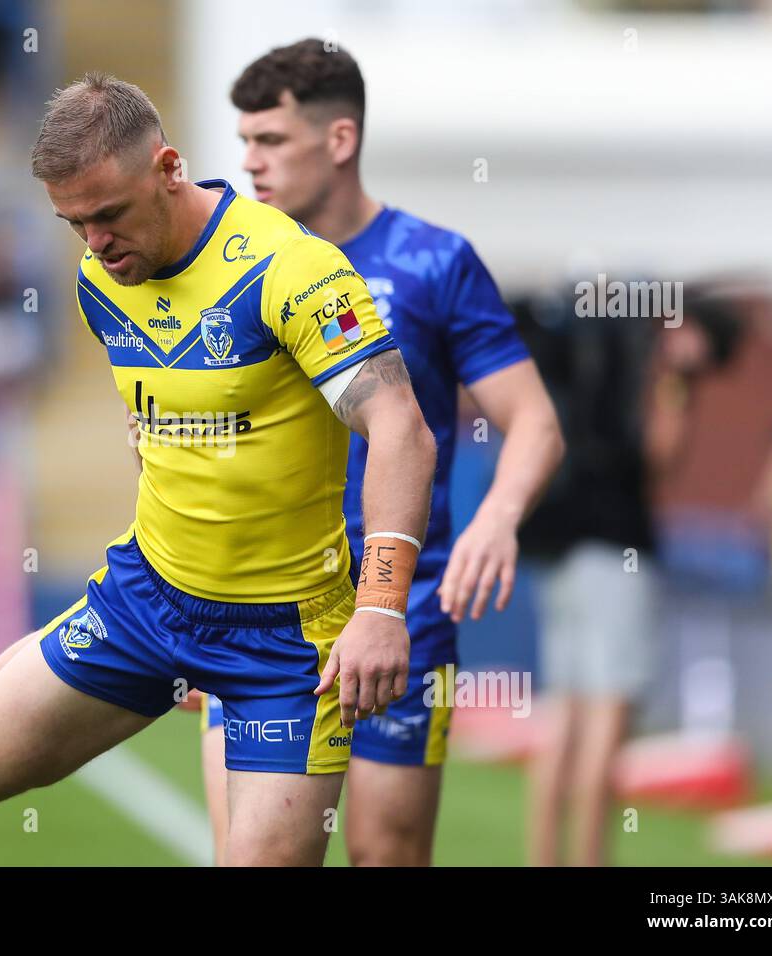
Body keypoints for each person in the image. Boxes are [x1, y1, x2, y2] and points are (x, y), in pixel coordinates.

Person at [0, 72, 438, 867]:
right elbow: (160, 419)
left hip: (284, 638)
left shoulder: (292, 270)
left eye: (108, 215)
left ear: (169, 168)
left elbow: (401, 429)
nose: (96, 244)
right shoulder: (99, 282)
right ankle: (144, 663)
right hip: (150, 597)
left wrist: (381, 608)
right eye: (74, 225)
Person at [194, 39, 564, 866]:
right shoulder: (229, 267)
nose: (250, 162)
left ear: (339, 139)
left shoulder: (435, 263)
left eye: (272, 141)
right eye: (245, 141)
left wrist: (496, 518)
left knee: (386, 853)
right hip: (261, 609)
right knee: (253, 855)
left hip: (403, 609)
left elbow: (534, 421)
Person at [514, 287, 742, 866]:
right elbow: (661, 458)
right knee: (603, 732)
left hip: (554, 540)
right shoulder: (646, 339)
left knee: (564, 719)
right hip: (614, 550)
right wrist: (680, 384)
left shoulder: (577, 317)